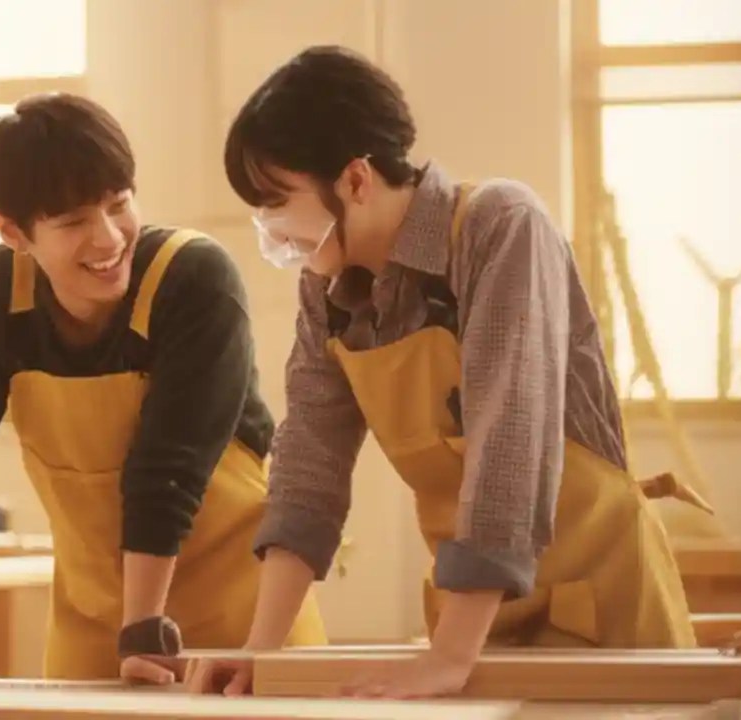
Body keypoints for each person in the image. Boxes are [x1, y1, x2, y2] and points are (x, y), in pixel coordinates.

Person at [184, 45, 709, 699]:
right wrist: (261, 653)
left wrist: (449, 657)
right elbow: (308, 470)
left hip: (598, 600)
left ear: (354, 180)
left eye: (277, 201)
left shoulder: (498, 226)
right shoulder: (327, 287)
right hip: (471, 621)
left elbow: (507, 444)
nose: (270, 227)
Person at [0, 92, 325, 685]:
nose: (107, 239)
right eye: (74, 222)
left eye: (118, 205)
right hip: (94, 627)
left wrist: (143, 631)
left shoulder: (195, 280)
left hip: (239, 616)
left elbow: (166, 471)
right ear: (11, 230)